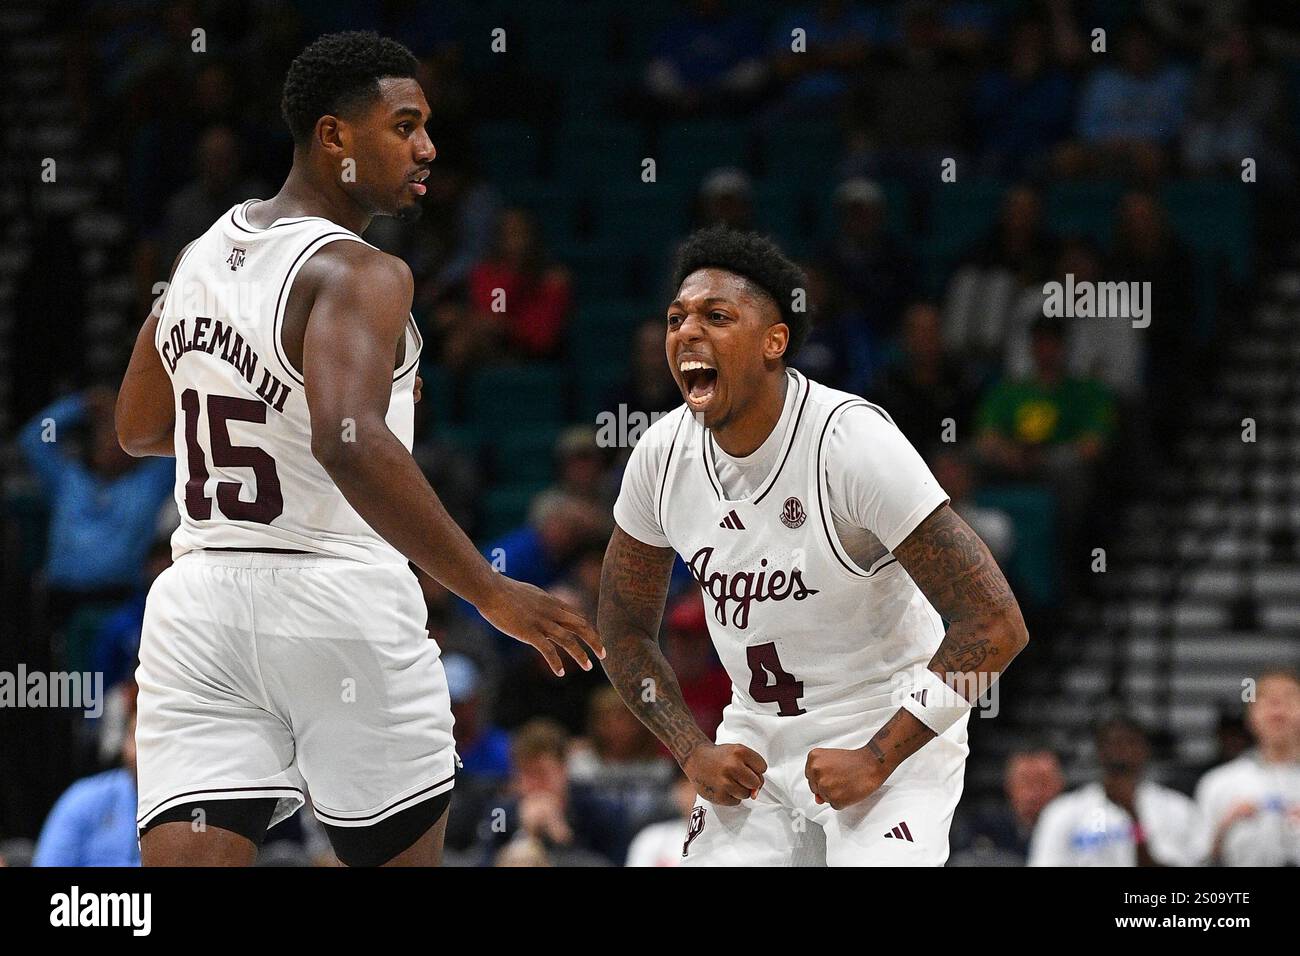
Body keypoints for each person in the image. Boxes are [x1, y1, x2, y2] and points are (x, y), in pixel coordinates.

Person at [114, 31, 602, 868]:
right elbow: (348, 444)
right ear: (334, 137)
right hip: (334, 598)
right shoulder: (361, 272)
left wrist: (258, 413)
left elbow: (137, 429)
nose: (428, 148)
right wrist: (488, 591)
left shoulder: (200, 254)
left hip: (199, 607)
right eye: (404, 126)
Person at [597, 226, 1029, 866]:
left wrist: (877, 756)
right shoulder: (660, 458)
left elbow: (996, 624)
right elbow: (624, 628)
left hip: (886, 728)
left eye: (717, 317)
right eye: (676, 318)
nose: (687, 332)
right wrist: (690, 749)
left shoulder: (850, 444)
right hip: (756, 740)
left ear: (775, 341)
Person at [1028, 717, 1206, 866]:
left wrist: (1133, 816)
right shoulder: (1064, 811)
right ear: (1099, 751)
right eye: (1114, 743)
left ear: (1145, 749)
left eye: (1130, 742)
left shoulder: (1177, 809)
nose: (1122, 751)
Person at [1195, 668, 1300, 866]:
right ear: (1251, 715)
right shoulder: (1219, 782)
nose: (1278, 708)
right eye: (1267, 699)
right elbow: (1198, 858)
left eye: (1290, 697)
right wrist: (1224, 828)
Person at [34, 707, 141, 867]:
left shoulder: (188, 807)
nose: (142, 751)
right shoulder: (83, 798)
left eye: (155, 741)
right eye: (137, 738)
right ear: (123, 743)